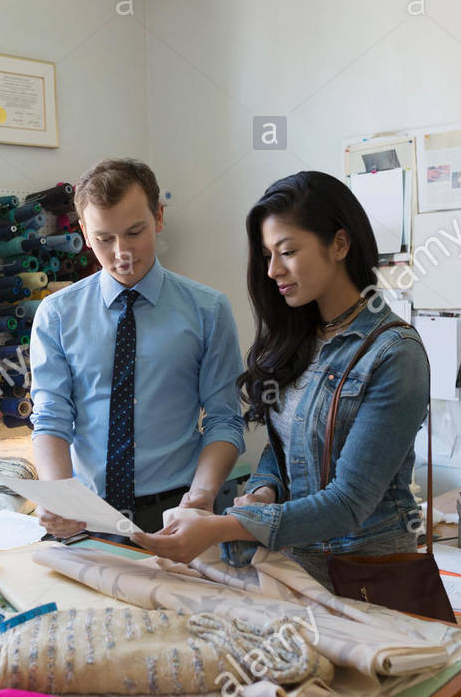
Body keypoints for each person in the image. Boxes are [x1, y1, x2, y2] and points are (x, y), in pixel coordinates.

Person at [133, 170, 430, 591]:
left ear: (340, 244)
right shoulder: (299, 339)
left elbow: (348, 503)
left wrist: (225, 526)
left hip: (366, 579)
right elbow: (284, 444)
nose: (272, 270)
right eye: (267, 254)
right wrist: (263, 491)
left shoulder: (394, 353)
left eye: (287, 251)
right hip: (295, 567)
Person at [29, 158, 244, 536]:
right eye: (104, 239)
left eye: (134, 232)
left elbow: (224, 419)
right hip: (86, 514)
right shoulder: (57, 314)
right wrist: (57, 499)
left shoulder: (208, 310)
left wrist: (202, 496)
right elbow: (51, 418)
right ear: (82, 232)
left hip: (177, 511)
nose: (121, 252)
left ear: (159, 217)